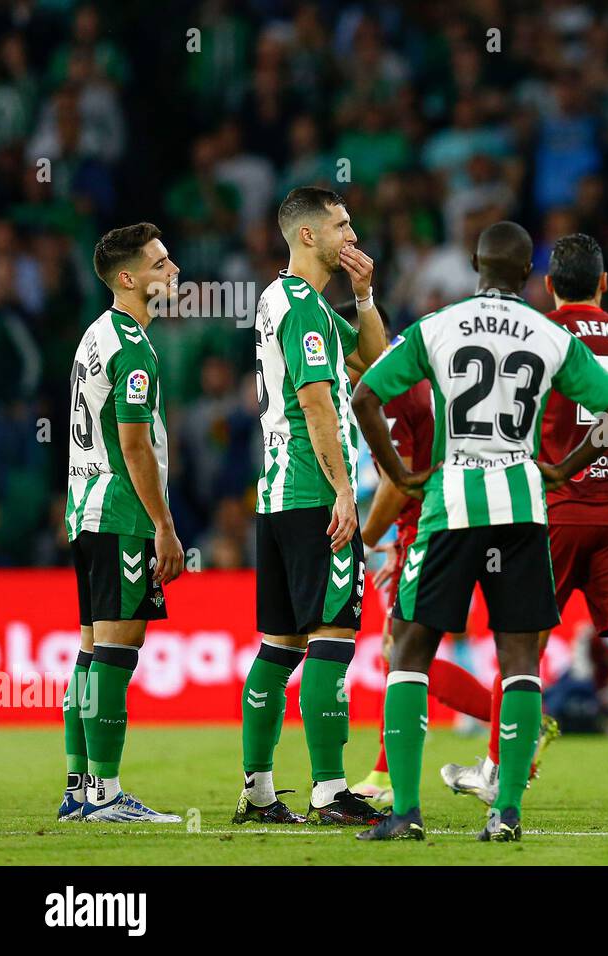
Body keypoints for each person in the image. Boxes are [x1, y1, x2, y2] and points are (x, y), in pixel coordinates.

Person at [351, 221, 608, 842]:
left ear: (476, 264)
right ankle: (506, 812)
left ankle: (404, 812)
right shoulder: (549, 333)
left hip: (449, 509)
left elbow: (366, 396)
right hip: (523, 509)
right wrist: (561, 466)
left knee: (410, 652)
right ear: (531, 274)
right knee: (520, 659)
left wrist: (400, 472)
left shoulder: (438, 325)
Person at [439, 233, 608, 812]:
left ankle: (498, 767)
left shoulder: (536, 334)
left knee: (525, 647)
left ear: (548, 285)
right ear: (604, 284)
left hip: (553, 511)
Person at [235, 186, 388, 827]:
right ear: (306, 236)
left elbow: (376, 360)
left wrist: (365, 298)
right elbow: (320, 404)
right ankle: (329, 790)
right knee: (332, 639)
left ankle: (260, 792)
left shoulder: (290, 302)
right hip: (314, 494)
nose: (351, 234)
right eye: (341, 224)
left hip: (276, 497)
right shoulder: (302, 309)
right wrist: (347, 491)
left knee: (278, 645)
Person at [60, 223, 185, 823]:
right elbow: (135, 446)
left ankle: (79, 789)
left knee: (91, 650)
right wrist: (164, 524)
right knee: (117, 646)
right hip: (120, 512)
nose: (174, 271)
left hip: (85, 508)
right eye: (161, 264)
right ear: (129, 279)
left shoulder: (96, 336)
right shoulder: (132, 346)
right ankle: (105, 795)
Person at [349, 370, 510, 808]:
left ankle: (514, 729)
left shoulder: (388, 397)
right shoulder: (412, 390)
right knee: (399, 650)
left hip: (428, 531)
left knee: (400, 652)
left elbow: (402, 484)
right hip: (433, 526)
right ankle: (514, 727)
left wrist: (377, 543)